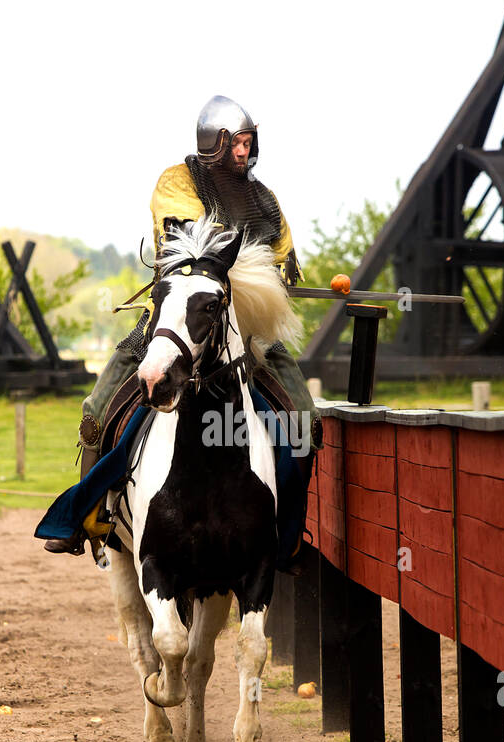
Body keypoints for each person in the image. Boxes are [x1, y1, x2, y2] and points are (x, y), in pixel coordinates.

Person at [41, 95, 320, 562]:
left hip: (249, 337)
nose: (244, 152)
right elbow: (195, 252)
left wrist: (274, 284)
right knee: (96, 411)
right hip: (178, 322)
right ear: (215, 143)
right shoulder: (177, 183)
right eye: (237, 143)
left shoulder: (265, 200)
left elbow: (280, 264)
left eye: (249, 143)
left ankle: (285, 538)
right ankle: (87, 519)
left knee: (304, 423)